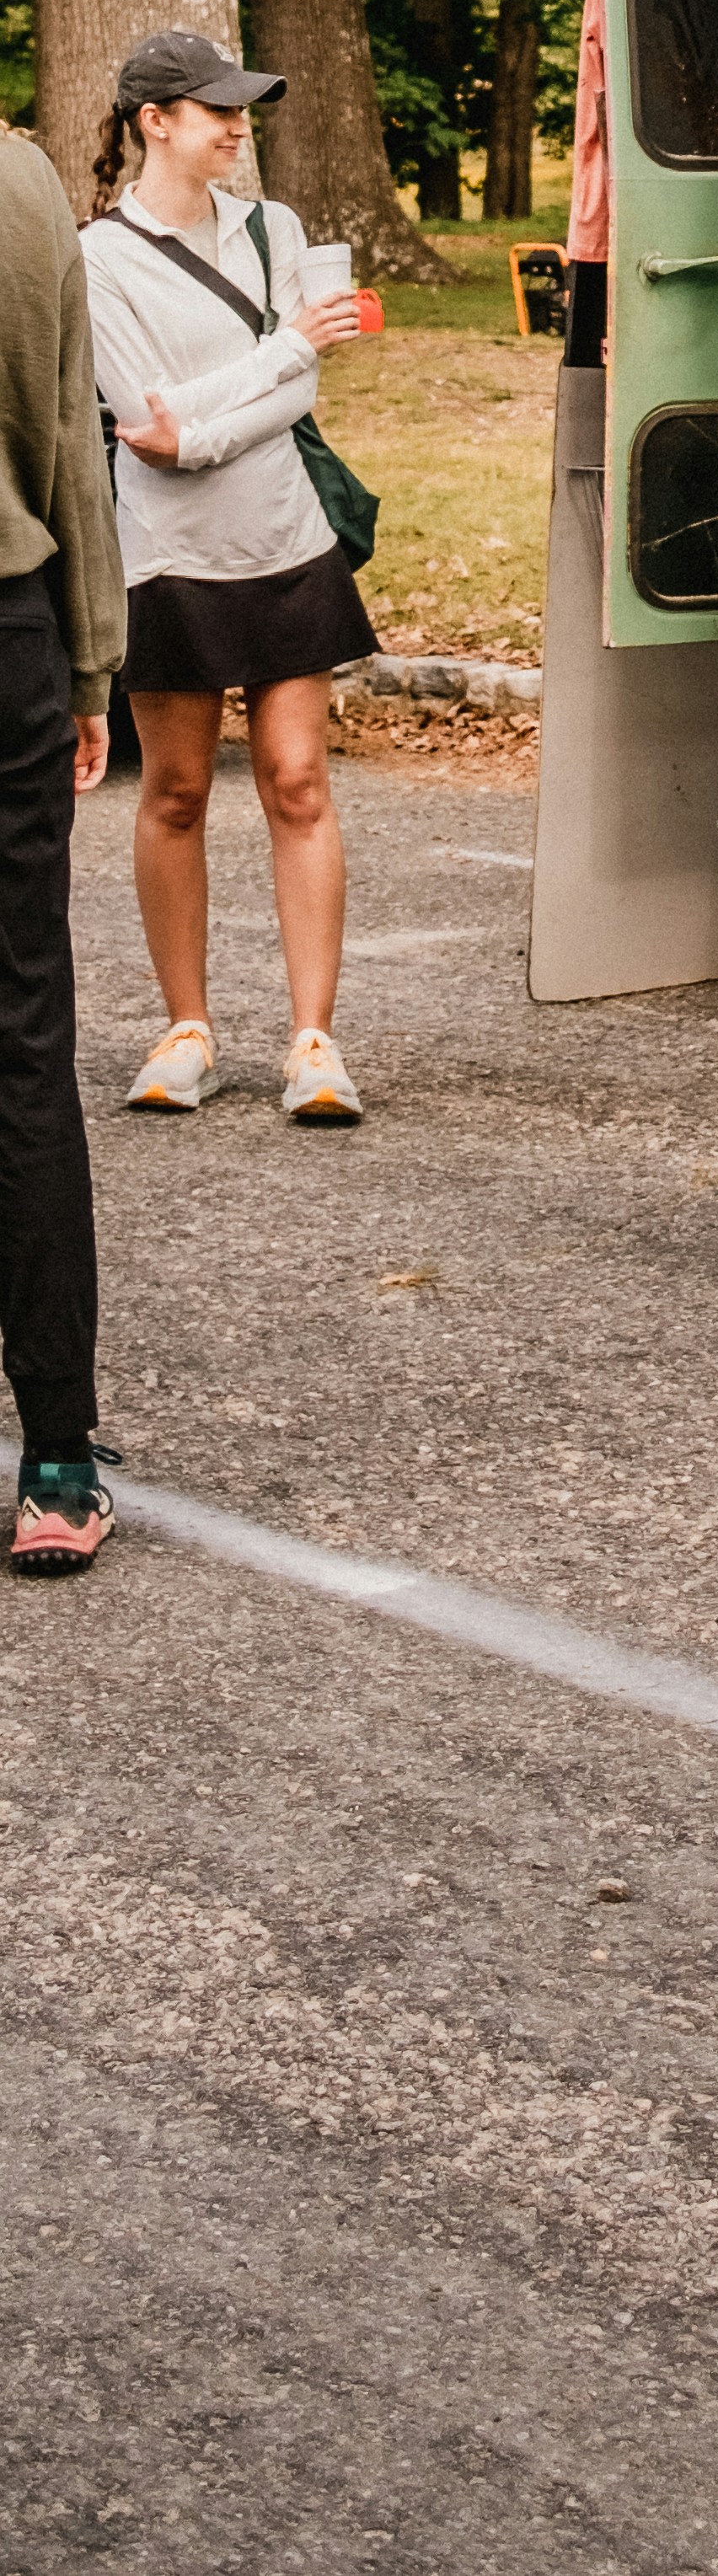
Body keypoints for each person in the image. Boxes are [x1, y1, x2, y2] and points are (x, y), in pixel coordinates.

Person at [83, 29, 378, 1126]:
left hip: (284, 540)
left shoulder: (276, 230)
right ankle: (187, 1030)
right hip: (165, 554)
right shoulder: (99, 255)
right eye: (219, 110)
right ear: (155, 121)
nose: (240, 126)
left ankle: (314, 1043)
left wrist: (212, 418)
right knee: (176, 791)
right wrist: (285, 349)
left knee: (298, 781)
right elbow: (141, 419)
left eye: (245, 108)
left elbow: (276, 405)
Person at [0, 121, 127, 1574]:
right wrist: (92, 665)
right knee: (23, 1040)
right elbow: (67, 444)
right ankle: (53, 1446)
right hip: (7, 635)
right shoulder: (28, 186)